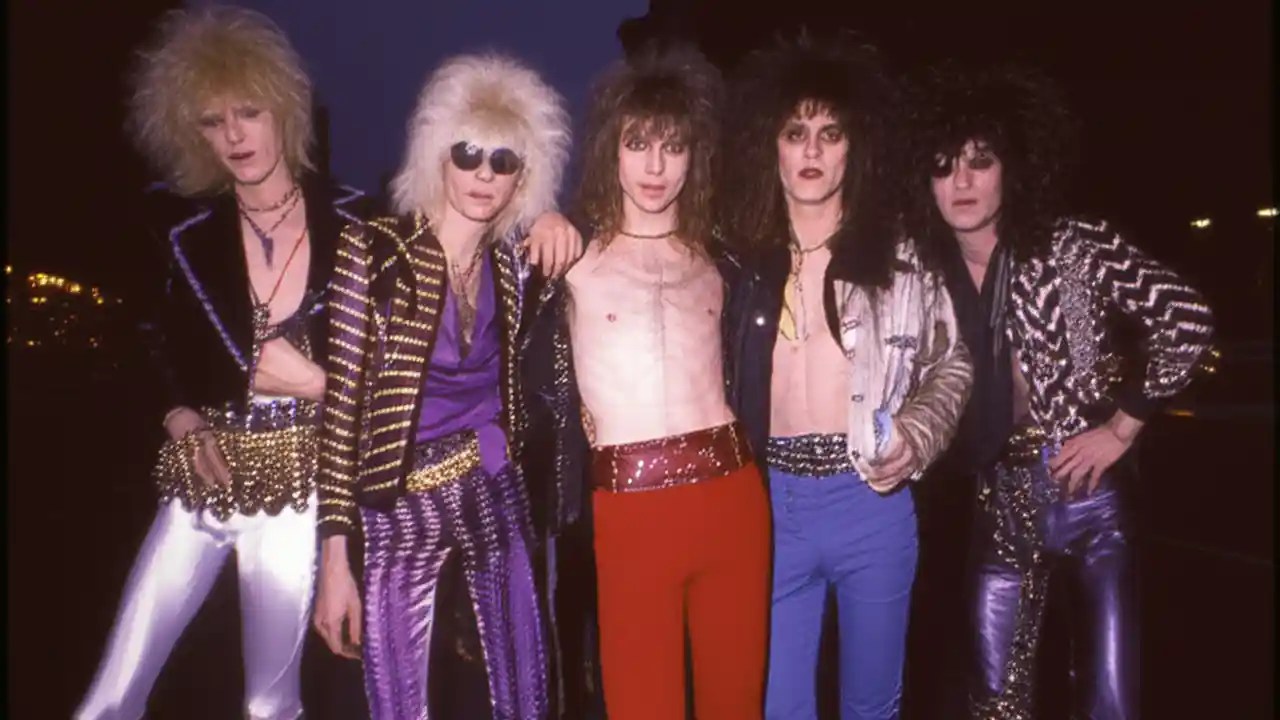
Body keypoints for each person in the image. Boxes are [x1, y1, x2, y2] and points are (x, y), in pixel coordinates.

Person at [75, 7, 376, 718]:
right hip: (200, 477)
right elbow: (144, 336)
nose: (234, 135)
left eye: (249, 111)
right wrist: (179, 412)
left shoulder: (361, 221)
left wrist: (317, 383)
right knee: (108, 696)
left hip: (298, 486)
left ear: (286, 109)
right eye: (212, 121)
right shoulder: (181, 227)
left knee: (268, 705)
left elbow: (404, 368)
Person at [904, 64, 1217, 719]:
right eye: (943, 165)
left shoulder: (1072, 244)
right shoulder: (919, 274)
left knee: (1110, 697)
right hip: (997, 502)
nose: (961, 181)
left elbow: (1185, 319)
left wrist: (1124, 425)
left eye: (979, 162)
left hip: (1090, 496)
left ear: (1010, 168)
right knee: (994, 699)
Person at [311, 51, 580, 720]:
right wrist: (335, 562)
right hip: (399, 501)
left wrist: (554, 217)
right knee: (397, 693)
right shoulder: (373, 252)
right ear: (438, 155)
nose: (484, 173)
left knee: (525, 687)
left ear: (526, 174)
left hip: (494, 485)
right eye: (468, 152)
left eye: (505, 159)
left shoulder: (517, 267)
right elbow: (342, 412)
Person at [722, 33, 974, 720]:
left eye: (829, 134)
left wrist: (917, 434)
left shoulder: (900, 253)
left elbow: (952, 361)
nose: (810, 151)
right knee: (777, 708)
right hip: (771, 507)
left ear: (854, 145)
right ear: (768, 143)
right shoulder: (738, 260)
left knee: (871, 706)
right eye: (795, 132)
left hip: (872, 502)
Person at [524, 46, 771, 720]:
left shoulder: (726, 262)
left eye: (674, 146)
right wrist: (533, 213)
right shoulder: (570, 258)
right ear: (612, 151)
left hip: (733, 502)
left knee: (735, 704)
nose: (656, 167)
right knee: (641, 705)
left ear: (697, 157)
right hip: (629, 509)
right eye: (638, 145)